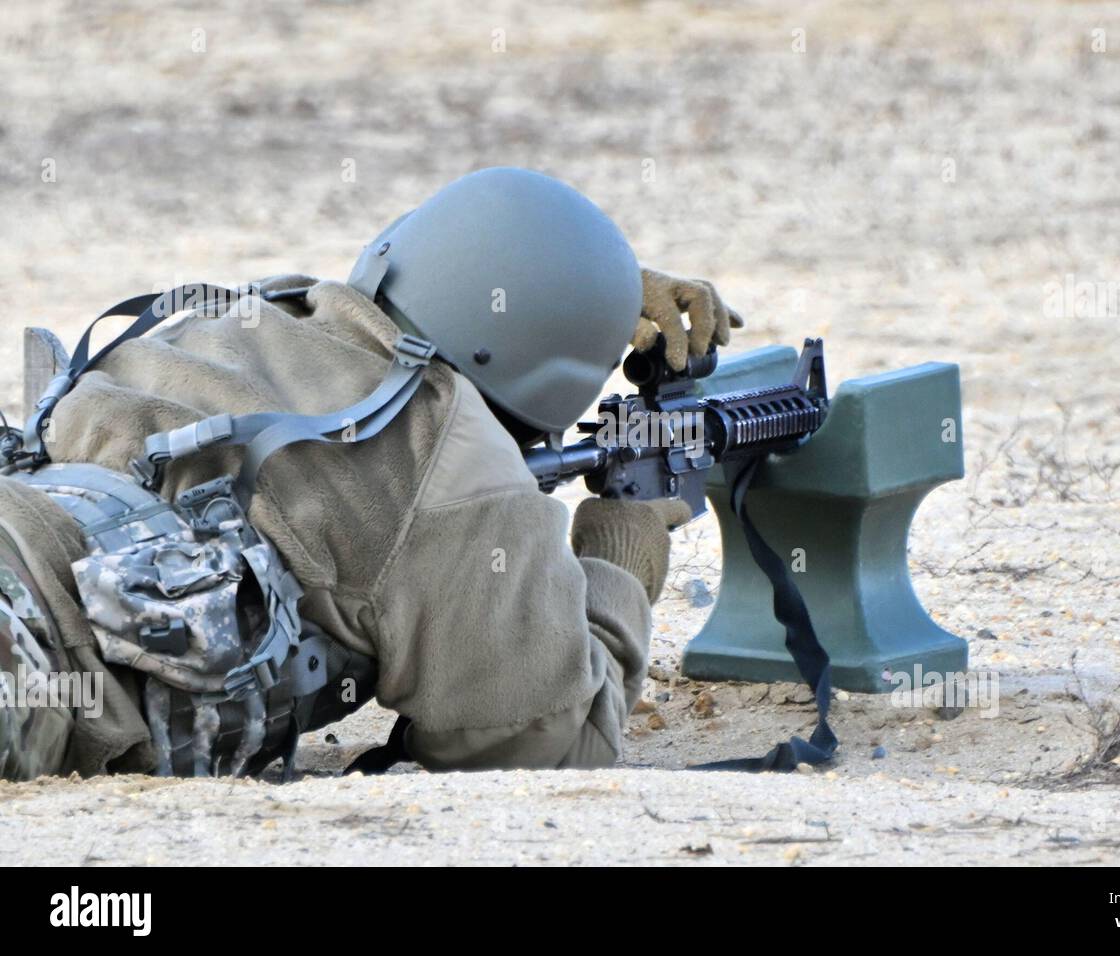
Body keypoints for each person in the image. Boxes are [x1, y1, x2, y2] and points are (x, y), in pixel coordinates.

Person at [0, 166, 742, 780]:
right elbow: (544, 743)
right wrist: (620, 557)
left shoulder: (251, 317)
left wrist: (581, 294)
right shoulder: (454, 468)